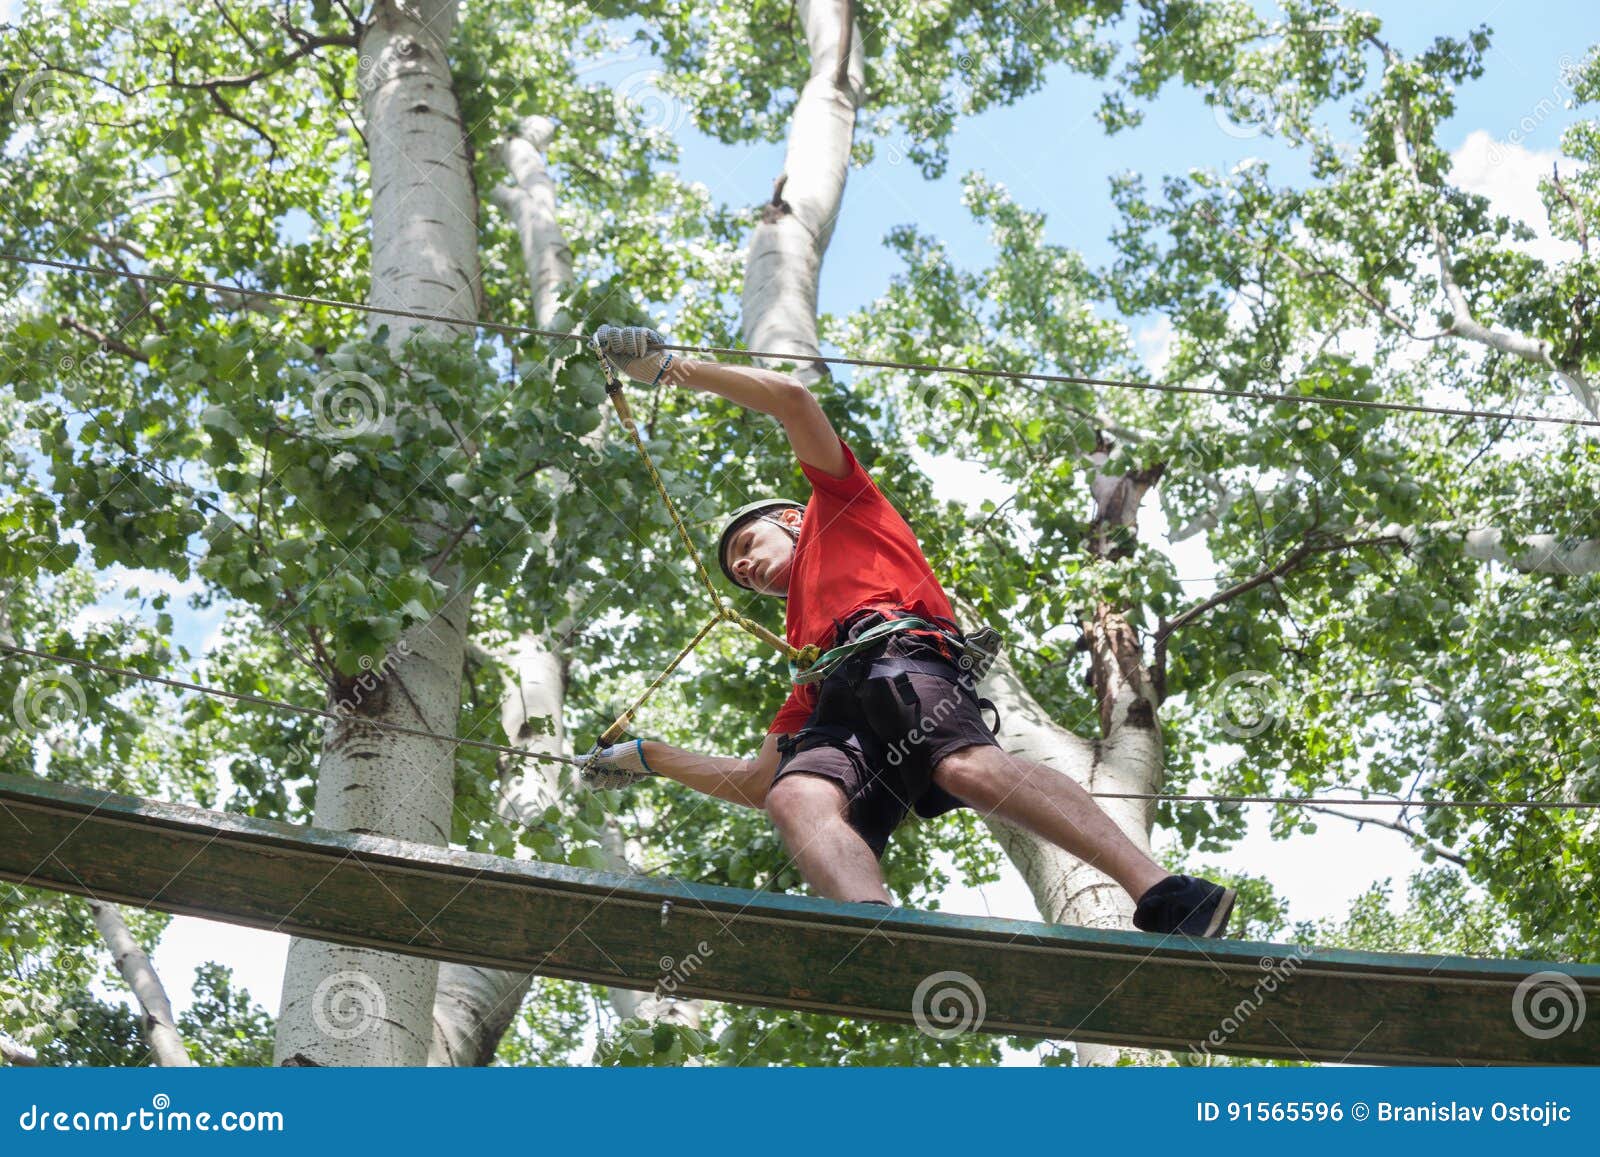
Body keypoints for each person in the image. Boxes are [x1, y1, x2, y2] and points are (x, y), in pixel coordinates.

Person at [580, 324, 1234, 938]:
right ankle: (874, 928)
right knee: (794, 797)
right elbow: (756, 780)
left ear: (789, 516)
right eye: (738, 575)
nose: (745, 568)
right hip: (839, 687)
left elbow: (793, 400)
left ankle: (1168, 891)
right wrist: (648, 757)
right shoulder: (808, 651)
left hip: (901, 651)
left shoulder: (840, 507)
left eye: (748, 545)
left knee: (965, 767)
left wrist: (666, 368)